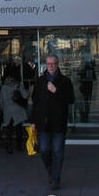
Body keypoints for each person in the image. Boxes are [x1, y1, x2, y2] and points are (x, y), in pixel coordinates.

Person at [31, 53, 74, 188]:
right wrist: (33, 121)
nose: (50, 66)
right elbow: (35, 102)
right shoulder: (40, 81)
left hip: (58, 123)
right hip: (43, 123)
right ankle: (51, 170)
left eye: (53, 64)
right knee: (43, 150)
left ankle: (55, 179)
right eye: (48, 64)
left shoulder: (65, 81)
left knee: (57, 151)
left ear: (57, 64)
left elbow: (71, 99)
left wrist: (57, 91)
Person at [0, 64, 30, 154]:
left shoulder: (4, 86)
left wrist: (2, 108)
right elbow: (25, 95)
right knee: (18, 129)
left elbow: (1, 99)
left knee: (9, 130)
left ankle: (9, 147)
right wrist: (28, 91)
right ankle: (19, 146)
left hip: (8, 111)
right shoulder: (18, 84)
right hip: (18, 110)